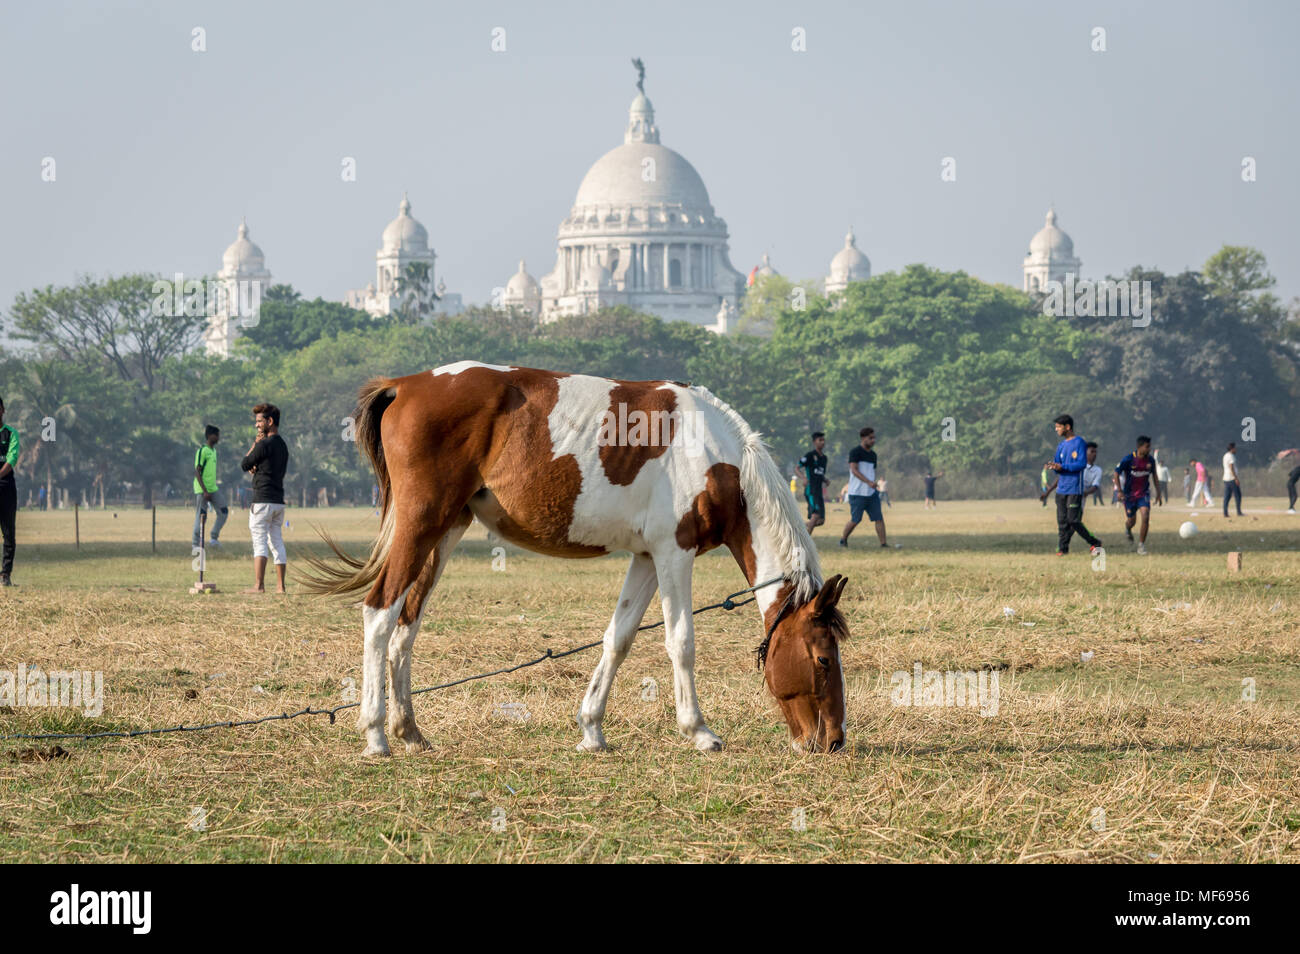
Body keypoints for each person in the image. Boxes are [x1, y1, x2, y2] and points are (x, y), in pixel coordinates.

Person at [241, 403, 290, 594]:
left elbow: (245, 464)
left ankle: (259, 585)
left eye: (260, 421)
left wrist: (255, 443)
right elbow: (263, 467)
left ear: (270, 421)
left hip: (262, 500)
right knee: (276, 540)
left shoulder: (264, 444)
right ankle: (280, 586)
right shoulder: (283, 445)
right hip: (278, 501)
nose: (257, 425)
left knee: (259, 541)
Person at [1046, 414, 1102, 557]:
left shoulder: (1079, 443)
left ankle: (1094, 541)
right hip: (1061, 489)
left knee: (1073, 520)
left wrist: (1062, 467)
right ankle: (1063, 550)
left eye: (1058, 426)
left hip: (1074, 489)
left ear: (1068, 427)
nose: (1056, 429)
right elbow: (1058, 465)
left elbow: (1081, 464)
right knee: (1062, 521)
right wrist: (1053, 467)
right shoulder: (1061, 446)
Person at [839, 427, 889, 549]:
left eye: (874, 438)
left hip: (871, 493)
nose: (873, 440)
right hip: (857, 493)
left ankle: (883, 544)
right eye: (870, 438)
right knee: (855, 520)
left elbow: (871, 472)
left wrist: (873, 484)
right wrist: (868, 482)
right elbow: (854, 470)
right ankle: (843, 539)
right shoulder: (855, 452)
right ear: (863, 438)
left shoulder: (873, 455)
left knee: (879, 518)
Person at [1115, 435, 1157, 554]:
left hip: (1143, 494)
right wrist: (1119, 491)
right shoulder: (1128, 459)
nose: (1149, 449)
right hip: (1129, 496)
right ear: (1139, 447)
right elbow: (1116, 473)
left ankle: (1141, 546)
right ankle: (1128, 529)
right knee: (1131, 521)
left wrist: (1158, 493)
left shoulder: (1150, 460)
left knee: (1145, 515)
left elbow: (1154, 476)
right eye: (1147, 447)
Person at [192, 425, 229, 550]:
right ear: (209, 436)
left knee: (223, 511)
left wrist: (210, 490)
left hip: (213, 489)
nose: (218, 438)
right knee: (202, 516)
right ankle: (195, 544)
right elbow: (197, 472)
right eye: (216, 435)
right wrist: (204, 491)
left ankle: (213, 538)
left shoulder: (214, 451)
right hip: (203, 490)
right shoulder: (202, 451)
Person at [1042, 442, 1104, 507]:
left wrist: (1086, 493)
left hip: (1079, 499)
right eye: (1092, 452)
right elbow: (1061, 478)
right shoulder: (1076, 465)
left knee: (1074, 516)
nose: (1094, 454)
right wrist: (1048, 492)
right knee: (1064, 516)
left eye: (1095, 452)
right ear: (1085, 453)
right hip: (1066, 495)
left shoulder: (1097, 470)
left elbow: (1095, 486)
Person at [0, 399, 18, 586]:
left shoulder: (11, 433)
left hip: (6, 487)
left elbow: (11, 459)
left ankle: (5, 574)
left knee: (8, 533)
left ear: (3, 410)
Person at [797, 432, 828, 532]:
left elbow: (819, 473)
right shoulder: (810, 455)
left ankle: (798, 529)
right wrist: (804, 478)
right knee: (815, 515)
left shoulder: (824, 458)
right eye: (820, 440)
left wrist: (825, 479)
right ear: (814, 442)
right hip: (811, 490)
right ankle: (806, 542)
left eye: (823, 440)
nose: (822, 442)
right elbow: (797, 468)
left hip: (819, 491)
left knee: (821, 520)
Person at [1222, 441, 1243, 517]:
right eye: (1235, 448)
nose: (1236, 450)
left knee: (1227, 496)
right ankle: (1239, 512)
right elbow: (1232, 468)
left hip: (1226, 478)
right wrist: (1236, 478)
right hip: (1231, 479)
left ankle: (1225, 513)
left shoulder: (1225, 455)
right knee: (1238, 495)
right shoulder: (1231, 456)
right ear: (1232, 448)